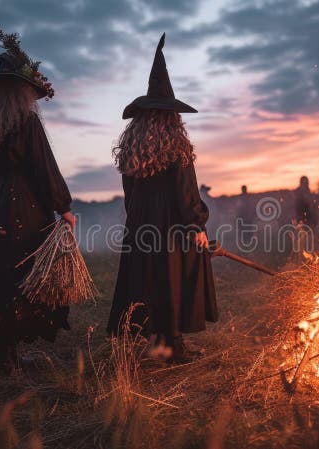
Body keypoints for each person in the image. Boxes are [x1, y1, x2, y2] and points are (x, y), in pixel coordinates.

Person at [0, 22, 74, 373]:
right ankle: (8, 356)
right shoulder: (27, 121)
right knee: (20, 274)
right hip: (24, 203)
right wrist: (63, 206)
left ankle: (5, 354)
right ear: (24, 92)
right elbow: (43, 166)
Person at [107, 33, 217, 363]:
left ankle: (159, 343)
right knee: (173, 280)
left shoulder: (132, 150)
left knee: (150, 280)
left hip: (141, 225)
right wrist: (196, 225)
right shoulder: (177, 148)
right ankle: (172, 347)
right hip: (172, 227)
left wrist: (138, 221)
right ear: (171, 116)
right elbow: (186, 193)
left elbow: (130, 196)